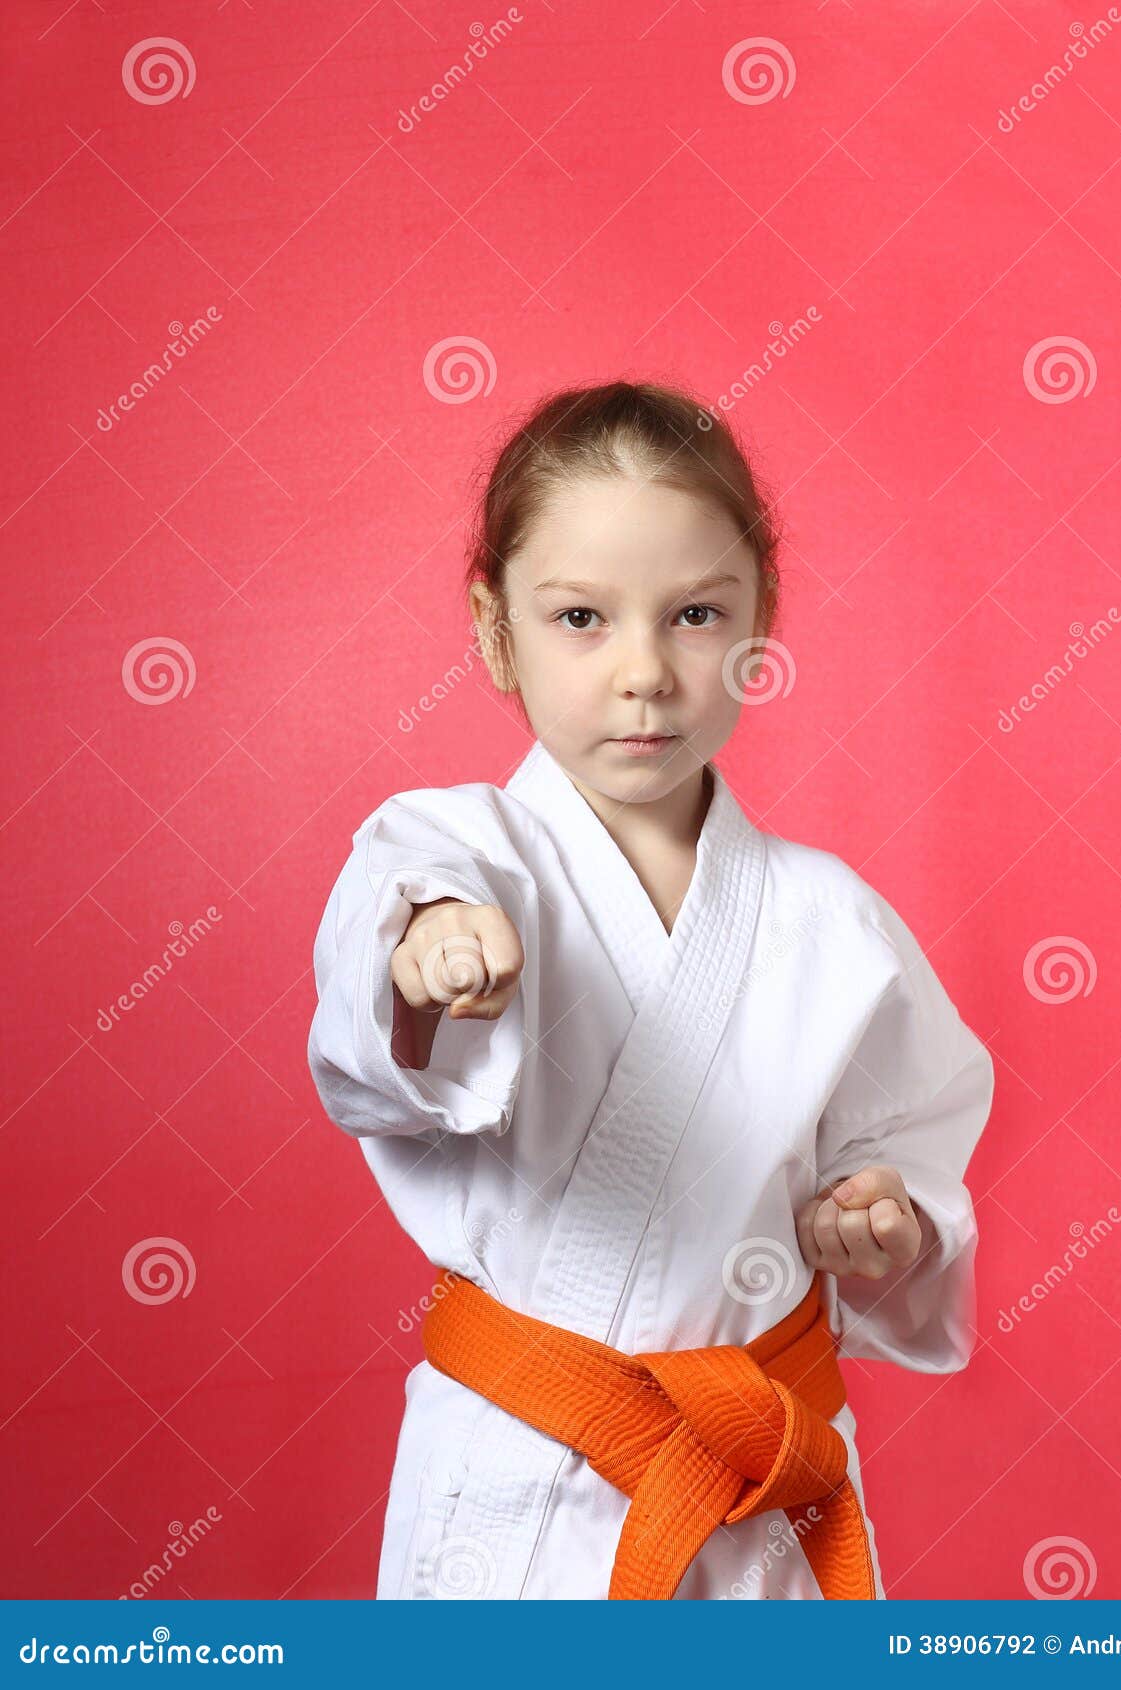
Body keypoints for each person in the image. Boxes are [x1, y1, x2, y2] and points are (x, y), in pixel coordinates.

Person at [306, 380, 995, 1599]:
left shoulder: (828, 916)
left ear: (759, 622)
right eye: (580, 616)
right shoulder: (459, 853)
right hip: (519, 1473)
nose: (643, 673)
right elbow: (389, 988)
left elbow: (908, 1142)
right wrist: (427, 958)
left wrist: (884, 1218)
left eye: (691, 614)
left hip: (752, 1469)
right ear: (492, 627)